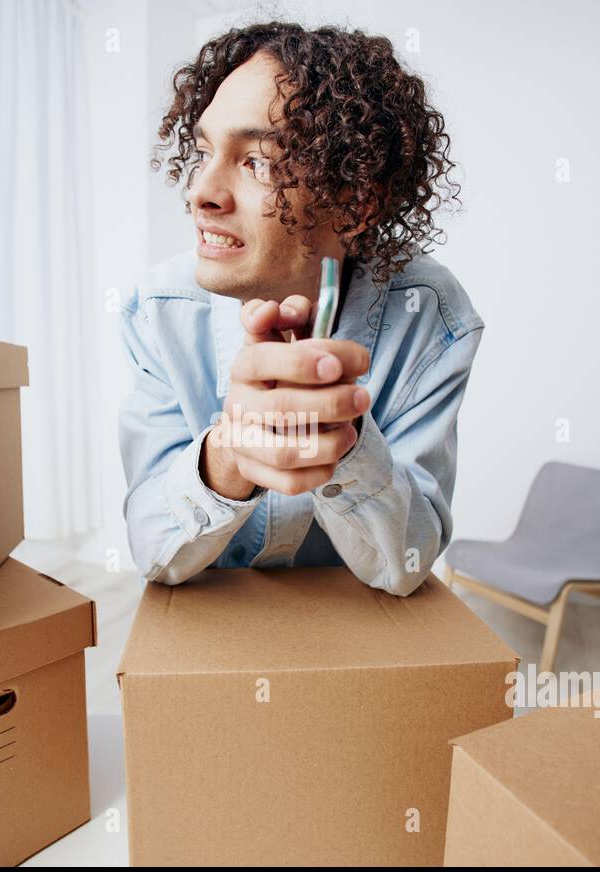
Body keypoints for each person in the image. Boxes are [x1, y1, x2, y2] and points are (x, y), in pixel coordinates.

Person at [119, 21, 484, 596]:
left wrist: (342, 437)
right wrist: (232, 451)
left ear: (356, 201)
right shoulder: (159, 311)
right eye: (205, 151)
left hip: (357, 641)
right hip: (209, 635)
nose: (201, 193)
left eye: (258, 161)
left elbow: (406, 565)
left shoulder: (431, 316)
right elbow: (155, 555)